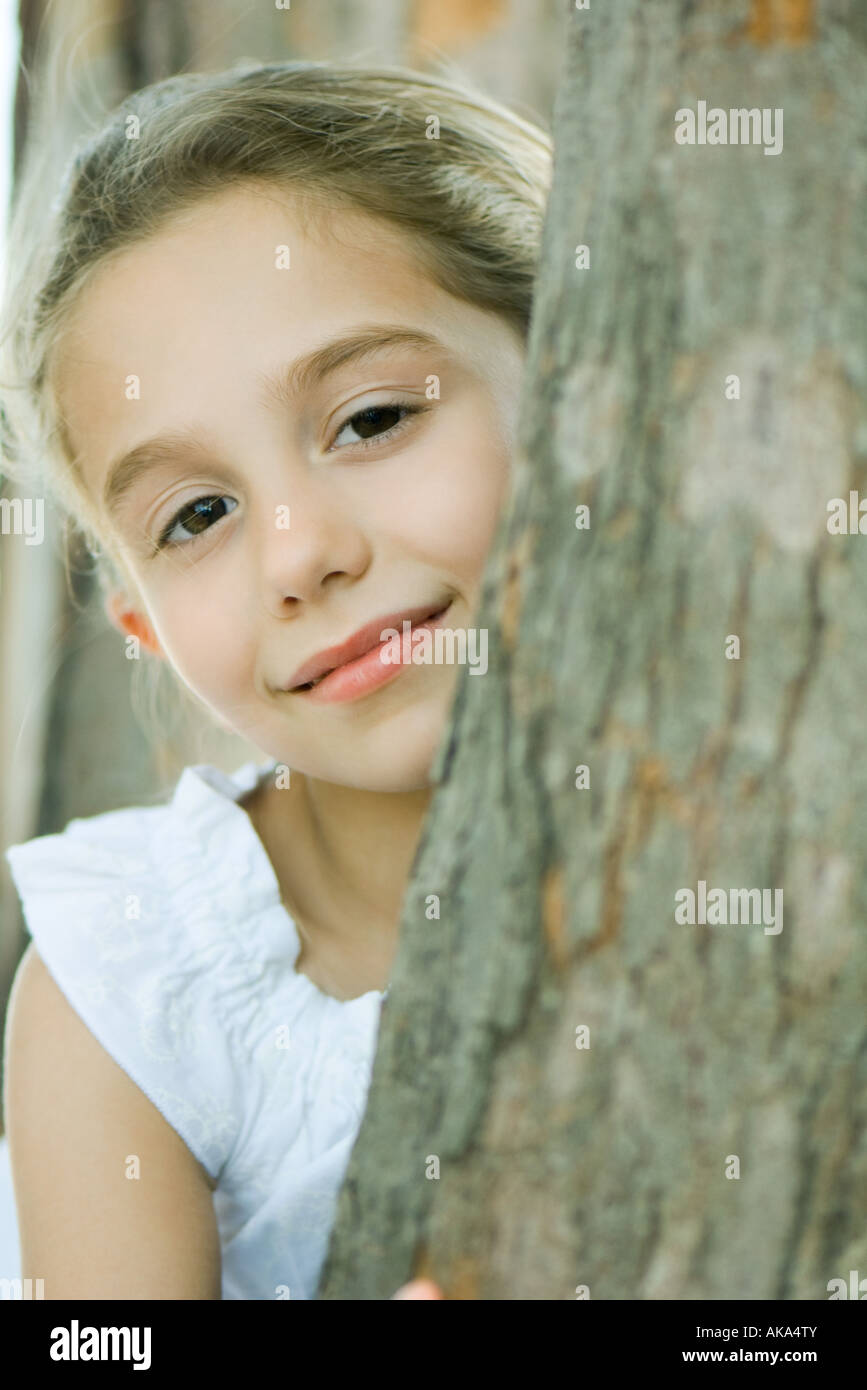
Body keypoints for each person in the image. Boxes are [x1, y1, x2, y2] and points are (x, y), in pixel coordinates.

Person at [0, 58, 551, 1300]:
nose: (302, 554)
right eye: (198, 513)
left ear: (589, 388)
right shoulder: (137, 988)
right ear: (143, 622)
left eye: (370, 419)